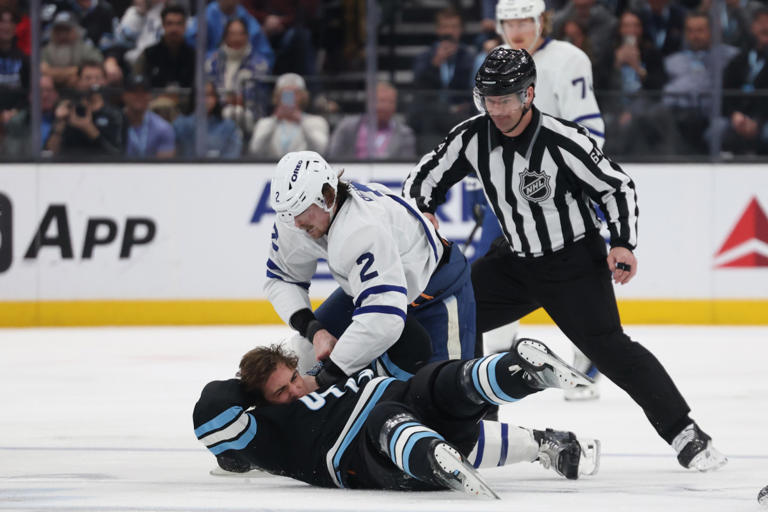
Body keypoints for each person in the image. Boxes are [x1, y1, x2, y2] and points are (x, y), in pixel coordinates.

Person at [403, 47, 727, 472]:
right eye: (488, 100)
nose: (495, 110)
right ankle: (480, 416)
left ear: (529, 94)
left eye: (504, 100)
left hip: (573, 263)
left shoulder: (563, 139)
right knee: (456, 317)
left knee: (610, 350)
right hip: (513, 262)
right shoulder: (471, 136)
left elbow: (617, 187)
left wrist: (623, 242)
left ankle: (685, 432)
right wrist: (421, 211)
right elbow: (423, 178)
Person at [194, 338, 600, 495]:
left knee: (440, 383)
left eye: (293, 380)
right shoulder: (265, 433)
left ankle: (519, 371)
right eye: (280, 392)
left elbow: (410, 337)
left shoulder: (320, 381)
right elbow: (210, 413)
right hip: (360, 451)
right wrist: (246, 389)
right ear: (259, 401)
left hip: (406, 399)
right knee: (385, 421)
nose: (294, 390)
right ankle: (435, 458)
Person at [476, 0, 608, 400]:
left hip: (560, 195)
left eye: (524, 20)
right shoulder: (493, 63)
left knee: (572, 276)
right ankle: (497, 364)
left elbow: (588, 128)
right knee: (490, 275)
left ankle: (588, 357)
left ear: (541, 20)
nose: (516, 29)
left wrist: (580, 182)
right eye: (509, 21)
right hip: (510, 196)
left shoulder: (569, 59)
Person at [265, 150, 476, 390]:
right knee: (305, 354)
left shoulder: (361, 229)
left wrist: (325, 378)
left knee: (449, 396)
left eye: (299, 210)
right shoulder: (297, 221)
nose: (295, 223)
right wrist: (315, 331)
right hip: (379, 294)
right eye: (287, 213)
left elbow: (384, 318)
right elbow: (282, 279)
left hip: (437, 292)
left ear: (328, 195)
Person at [44, 60, 123, 156]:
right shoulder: (69, 111)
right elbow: (50, 152)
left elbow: (117, 156)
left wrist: (89, 129)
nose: (93, 82)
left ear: (105, 81)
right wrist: (60, 123)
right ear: (78, 82)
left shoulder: (115, 114)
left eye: (97, 78)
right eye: (87, 78)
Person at [326, 82, 417, 160]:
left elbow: (407, 169)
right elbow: (332, 158)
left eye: (391, 102)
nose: (386, 106)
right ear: (369, 102)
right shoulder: (347, 127)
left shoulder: (405, 134)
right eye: (382, 101)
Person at [248, 73, 327, 159]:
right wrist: (275, 120)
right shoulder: (265, 123)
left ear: (303, 96)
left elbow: (321, 150)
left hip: (303, 170)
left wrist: (301, 121)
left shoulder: (316, 121)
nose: (291, 97)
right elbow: (256, 150)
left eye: (295, 93)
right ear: (277, 96)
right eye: (285, 93)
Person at [173, 81, 243, 158]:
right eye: (201, 95)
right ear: (194, 97)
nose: (206, 100)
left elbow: (233, 154)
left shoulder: (228, 126)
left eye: (210, 95)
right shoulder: (180, 124)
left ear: (216, 99)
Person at [133, 3, 194, 88]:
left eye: (179, 23)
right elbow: (137, 84)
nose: (174, 29)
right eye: (169, 23)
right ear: (163, 25)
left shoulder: (194, 56)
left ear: (185, 26)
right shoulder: (149, 54)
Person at [122, 74, 175, 158]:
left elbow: (165, 167)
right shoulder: (115, 123)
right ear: (124, 95)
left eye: (143, 92)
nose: (139, 96)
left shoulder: (163, 128)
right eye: (134, 91)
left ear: (150, 96)